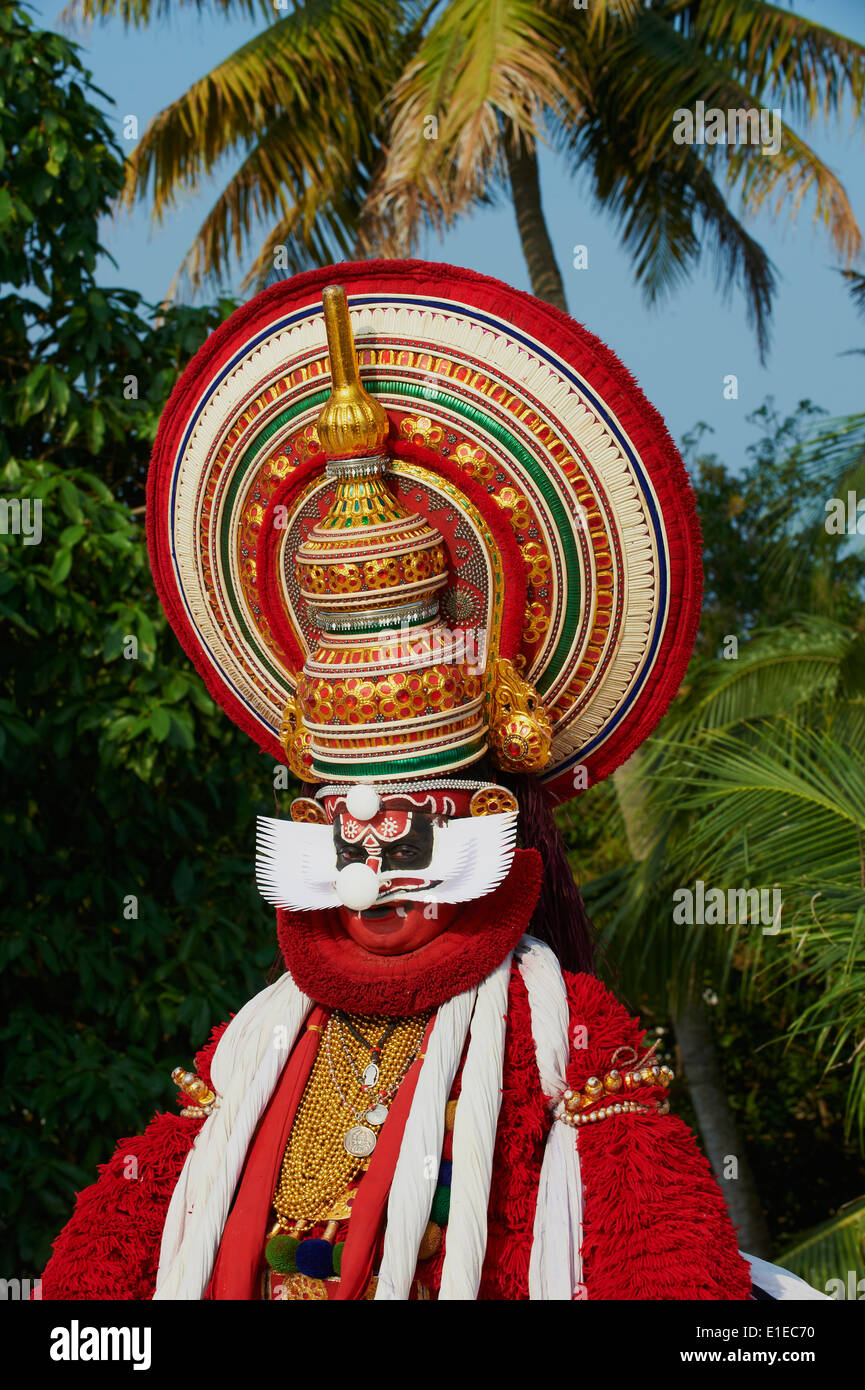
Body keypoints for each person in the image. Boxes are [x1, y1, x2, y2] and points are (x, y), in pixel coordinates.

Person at [39, 261, 821, 1301]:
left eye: (405, 836)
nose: (370, 878)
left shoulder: (562, 1030)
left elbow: (661, 1250)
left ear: (488, 818)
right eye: (342, 839)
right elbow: (119, 1242)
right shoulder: (258, 1040)